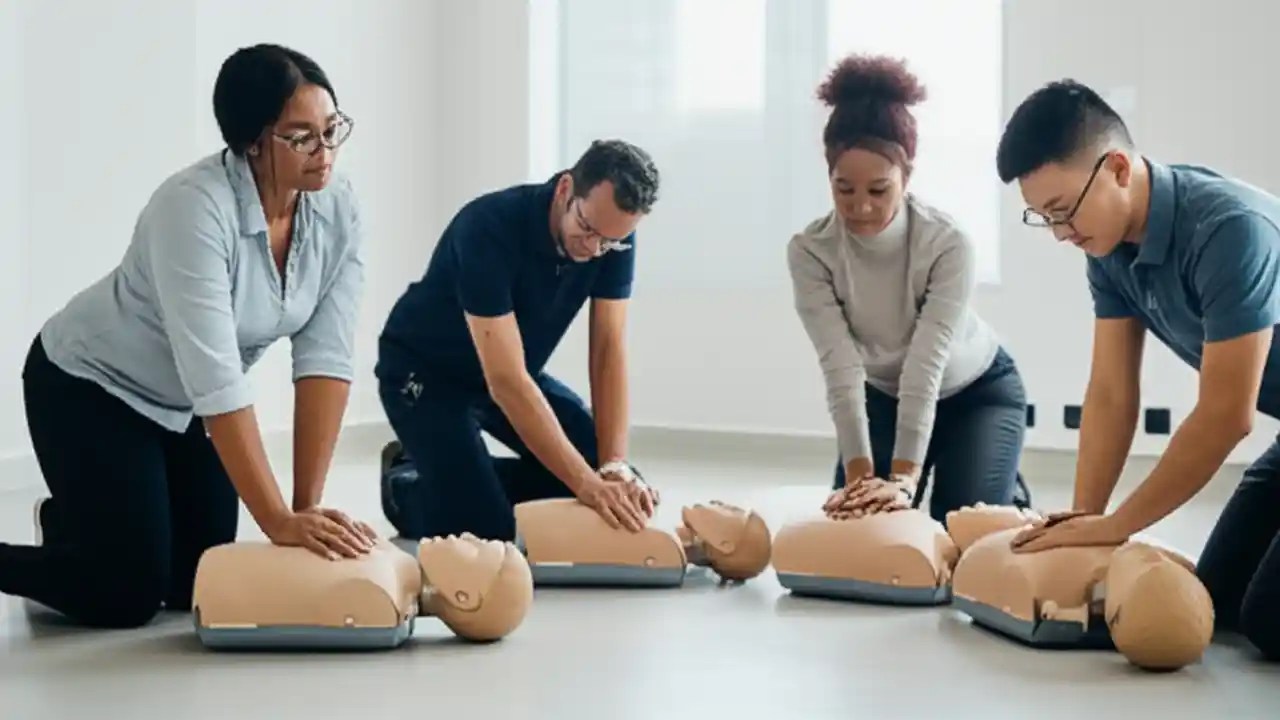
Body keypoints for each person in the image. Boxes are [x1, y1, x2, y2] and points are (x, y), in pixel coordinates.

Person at [0, 44, 376, 629]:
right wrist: (275, 520)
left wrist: (306, 510)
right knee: (125, 595)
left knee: (193, 583)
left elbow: (325, 357)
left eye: (331, 130)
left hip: (180, 406)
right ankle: (72, 537)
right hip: (89, 387)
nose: (324, 152)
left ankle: (79, 523)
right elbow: (217, 378)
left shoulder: (337, 207)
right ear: (252, 141)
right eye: (301, 137)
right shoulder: (193, 209)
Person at [998, 79, 1280, 660]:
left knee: (1269, 621)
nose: (1059, 233)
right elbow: (1110, 393)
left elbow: (1228, 415)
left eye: (1063, 210)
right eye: (1043, 218)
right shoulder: (1107, 248)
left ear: (1119, 169)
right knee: (1216, 602)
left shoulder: (1229, 230)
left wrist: (1119, 523)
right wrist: (1084, 519)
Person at [787, 54, 1032, 525]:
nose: (860, 207)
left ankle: (1006, 490)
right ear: (829, 174)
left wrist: (903, 479)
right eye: (844, 189)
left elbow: (927, 362)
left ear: (907, 174)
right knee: (860, 521)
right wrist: (861, 478)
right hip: (883, 397)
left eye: (878, 190)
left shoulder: (947, 242)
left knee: (958, 525)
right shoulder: (810, 251)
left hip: (975, 392)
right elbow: (840, 368)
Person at [375, 140, 661, 542]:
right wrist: (584, 483)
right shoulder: (488, 227)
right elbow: (505, 381)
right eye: (588, 229)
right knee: (490, 532)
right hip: (425, 373)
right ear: (565, 190)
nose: (595, 249)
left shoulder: (613, 235)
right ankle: (405, 484)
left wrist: (613, 466)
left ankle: (454, 472)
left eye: (609, 242)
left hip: (512, 374)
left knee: (615, 487)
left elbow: (608, 349)